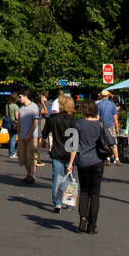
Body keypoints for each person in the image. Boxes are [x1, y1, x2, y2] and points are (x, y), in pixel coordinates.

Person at [66, 100, 113, 234]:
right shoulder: (100, 124)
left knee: (84, 191)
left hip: (83, 162)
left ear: (83, 110)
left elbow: (73, 146)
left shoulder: (78, 124)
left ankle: (83, 217)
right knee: (95, 194)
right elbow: (111, 141)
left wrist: (70, 164)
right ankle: (92, 225)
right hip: (97, 161)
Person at [41, 91, 77, 212]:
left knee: (56, 177)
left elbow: (45, 133)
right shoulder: (73, 121)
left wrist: (43, 140)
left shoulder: (53, 118)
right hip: (69, 152)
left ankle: (57, 203)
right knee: (70, 177)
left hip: (57, 151)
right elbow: (75, 141)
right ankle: (69, 202)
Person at [15, 88, 40, 184]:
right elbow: (19, 123)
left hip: (32, 136)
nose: (19, 99)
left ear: (26, 96)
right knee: (23, 156)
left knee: (32, 156)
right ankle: (28, 174)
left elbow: (35, 122)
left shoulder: (34, 107)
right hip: (22, 136)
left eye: (20, 97)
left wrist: (29, 135)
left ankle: (32, 175)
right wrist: (19, 135)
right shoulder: (21, 109)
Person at [96, 91, 119, 165]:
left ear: (101, 96)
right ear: (108, 96)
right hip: (111, 125)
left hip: (102, 125)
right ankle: (117, 159)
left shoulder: (99, 104)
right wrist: (117, 127)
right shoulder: (112, 104)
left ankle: (107, 159)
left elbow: (97, 117)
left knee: (105, 143)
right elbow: (115, 117)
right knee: (113, 142)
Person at [5, 91, 20, 160]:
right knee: (13, 138)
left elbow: (6, 114)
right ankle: (12, 153)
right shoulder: (15, 106)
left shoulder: (7, 105)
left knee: (11, 137)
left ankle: (10, 152)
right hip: (14, 123)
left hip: (8, 122)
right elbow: (17, 116)